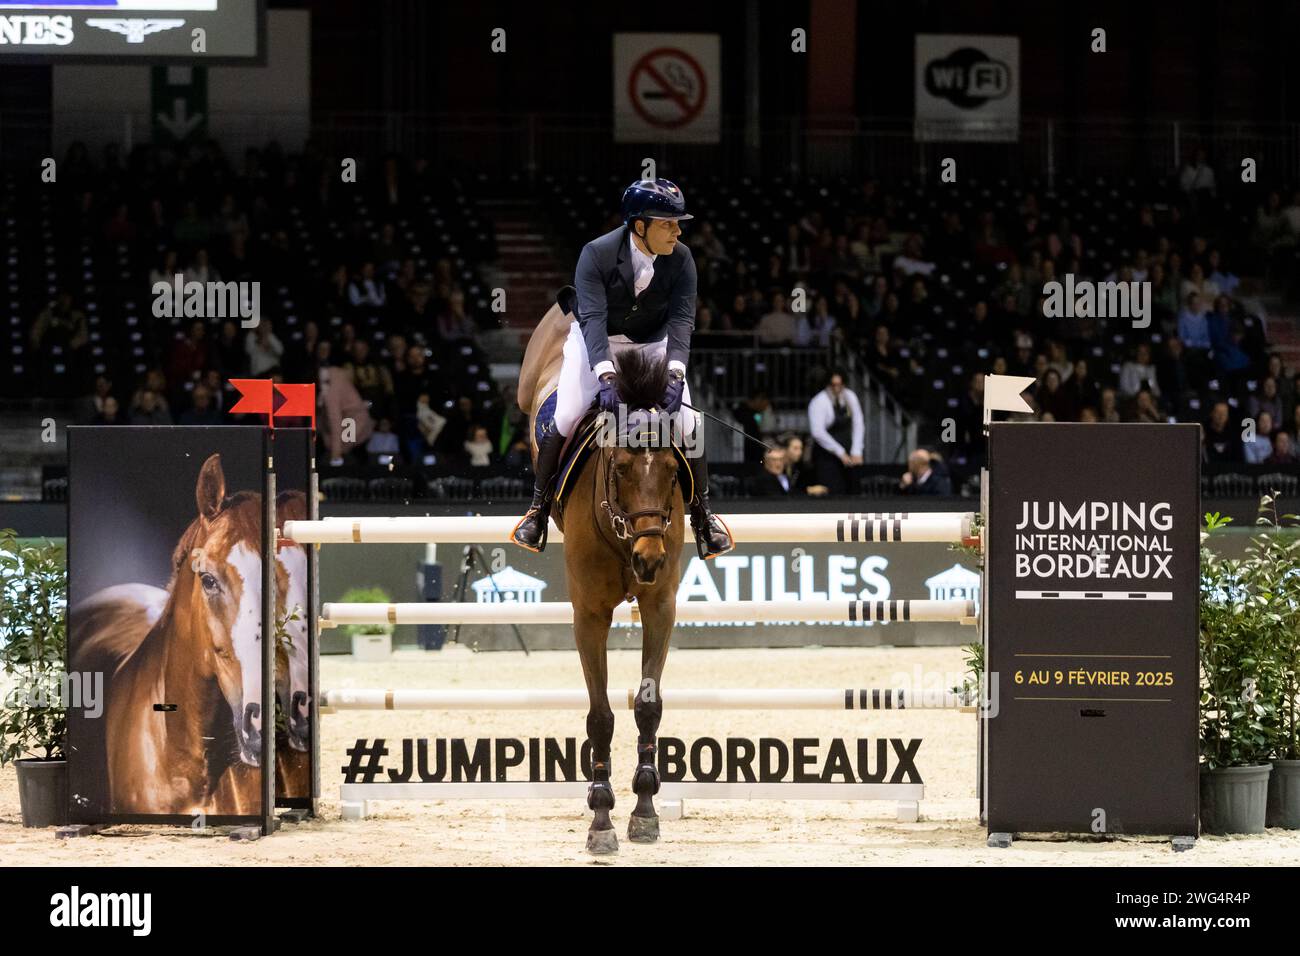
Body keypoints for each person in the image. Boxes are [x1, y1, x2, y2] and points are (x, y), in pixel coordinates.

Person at [511, 178, 733, 559]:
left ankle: (703, 516)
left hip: (652, 344)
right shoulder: (596, 254)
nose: (678, 231)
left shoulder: (681, 258)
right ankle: (538, 510)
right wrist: (606, 376)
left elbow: (682, 321)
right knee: (565, 416)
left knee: (690, 424)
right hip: (596, 341)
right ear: (640, 225)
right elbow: (593, 320)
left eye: (679, 223)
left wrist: (676, 372)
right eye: (668, 223)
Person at [807, 371, 864, 495]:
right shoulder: (819, 401)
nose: (837, 388)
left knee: (852, 488)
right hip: (826, 453)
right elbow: (818, 432)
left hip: (848, 451)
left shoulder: (850, 396)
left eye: (840, 385)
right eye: (833, 385)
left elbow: (858, 423)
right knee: (832, 490)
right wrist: (840, 452)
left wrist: (856, 450)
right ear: (828, 384)